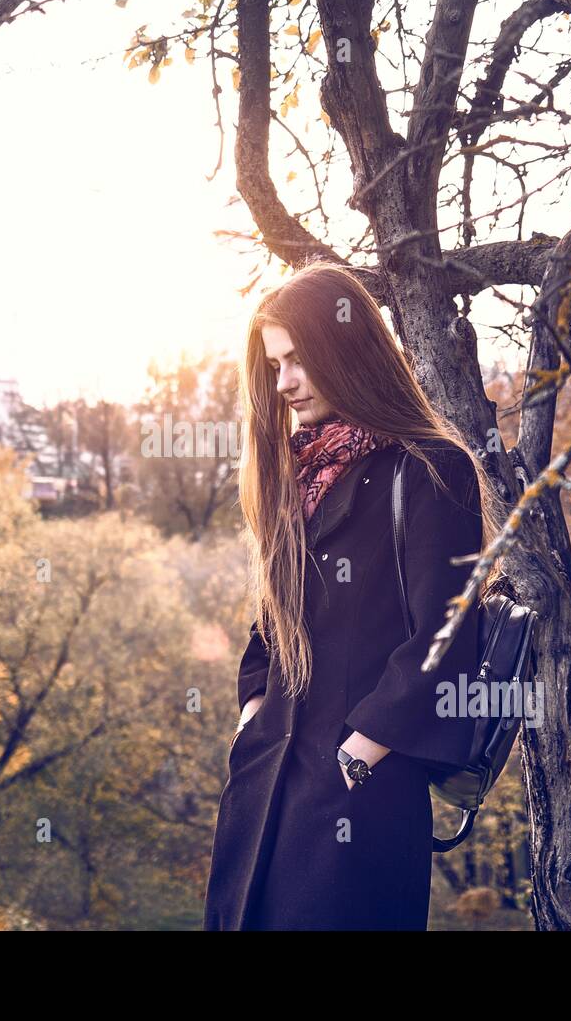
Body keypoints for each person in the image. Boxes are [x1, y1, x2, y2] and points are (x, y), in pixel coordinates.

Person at [202, 260, 504, 931]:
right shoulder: (296, 473)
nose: (284, 382)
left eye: (298, 360)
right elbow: (272, 619)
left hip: (355, 804)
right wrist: (252, 710)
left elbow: (443, 635)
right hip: (263, 790)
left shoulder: (429, 469)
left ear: (347, 348)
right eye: (275, 364)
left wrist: (358, 756)